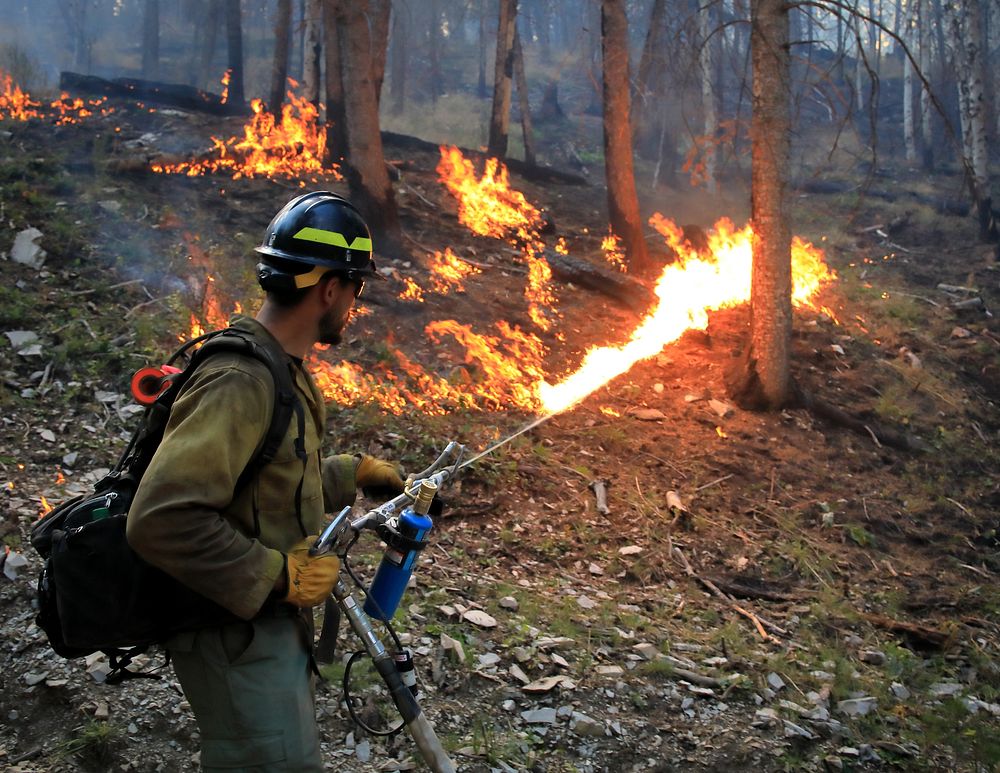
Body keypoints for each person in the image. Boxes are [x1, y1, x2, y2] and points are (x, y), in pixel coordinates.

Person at [127, 191, 405, 772]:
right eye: (355, 288)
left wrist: (345, 474)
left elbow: (263, 475)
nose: (354, 303)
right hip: (232, 631)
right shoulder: (241, 379)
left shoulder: (280, 368)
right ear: (330, 288)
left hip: (264, 622)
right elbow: (163, 518)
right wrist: (281, 575)